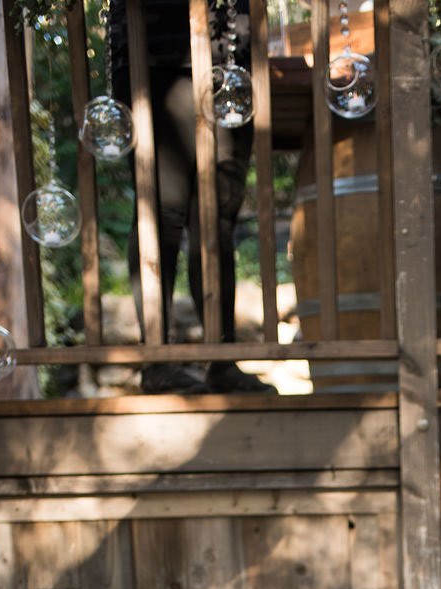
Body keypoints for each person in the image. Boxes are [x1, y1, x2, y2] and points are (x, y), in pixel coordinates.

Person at [109, 0, 276, 393]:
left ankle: (221, 359)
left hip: (230, 55)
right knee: (161, 211)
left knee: (216, 216)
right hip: (153, 49)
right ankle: (157, 362)